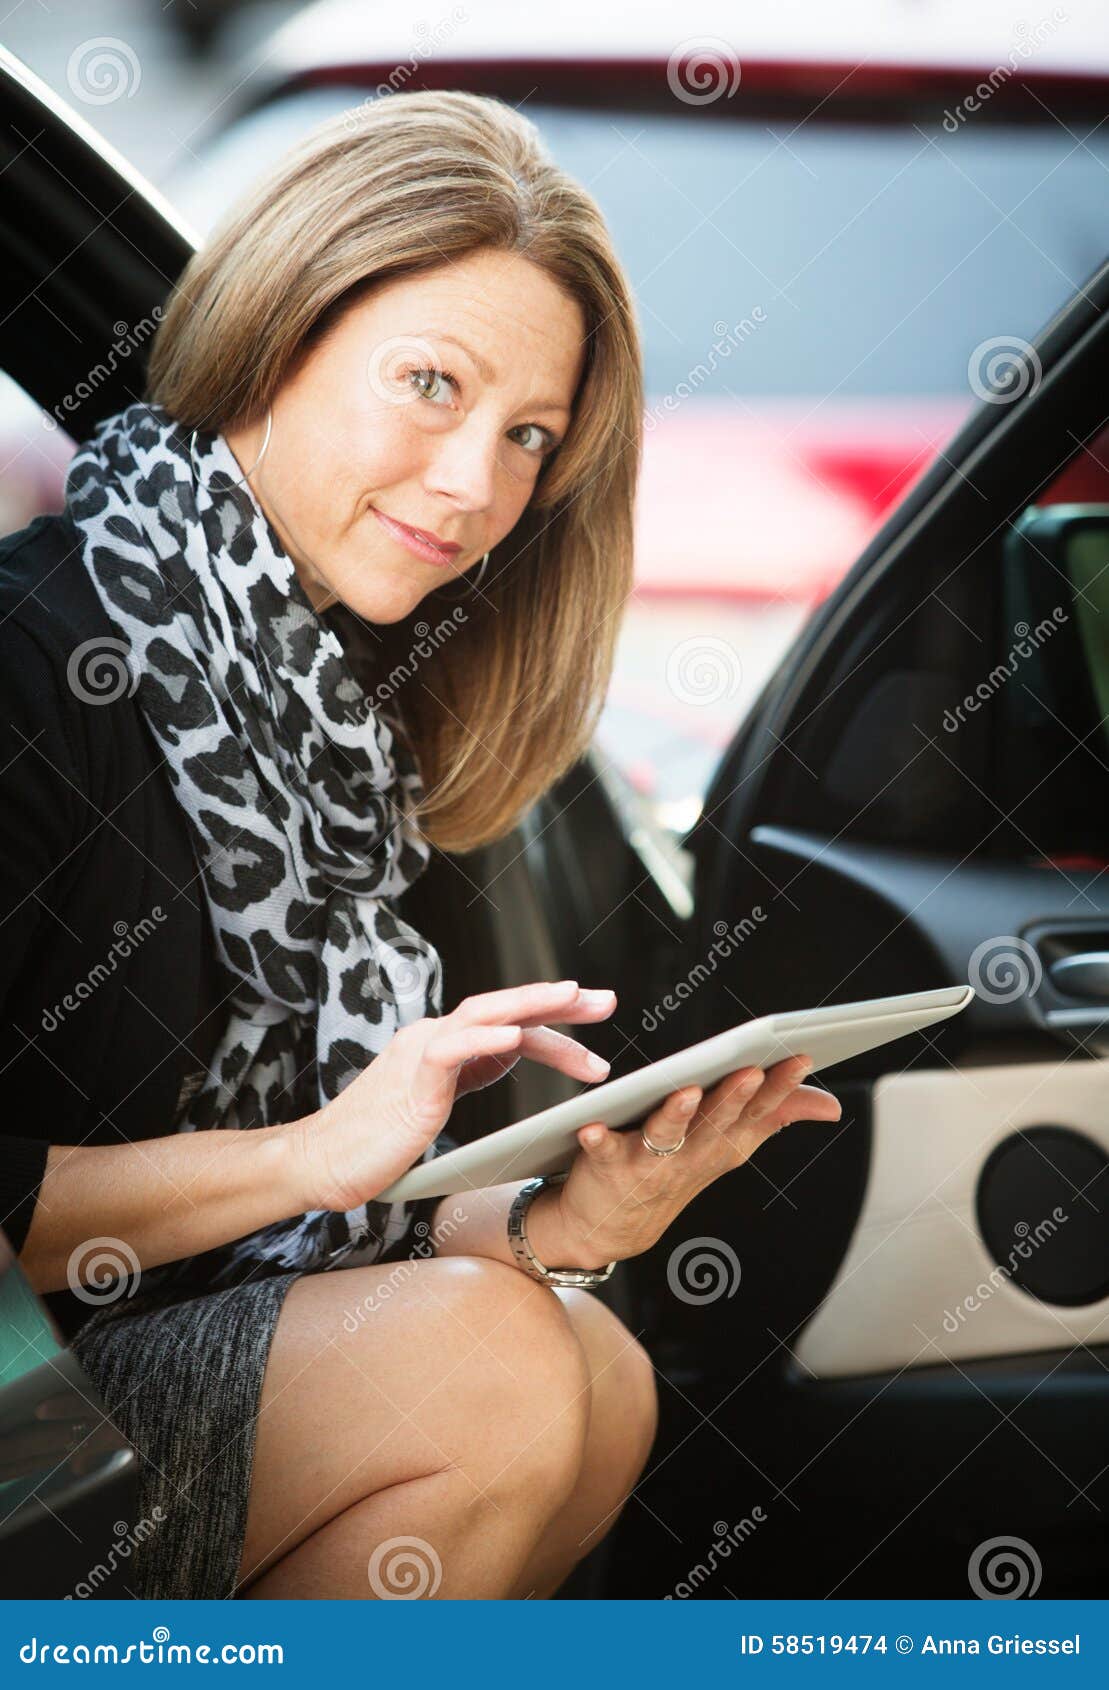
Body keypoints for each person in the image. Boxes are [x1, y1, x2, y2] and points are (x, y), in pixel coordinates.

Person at [0, 88, 841, 1600]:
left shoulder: (343, 717)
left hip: (124, 1360)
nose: (474, 485)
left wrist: (562, 1222)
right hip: (25, 1406)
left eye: (528, 437)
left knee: (592, 1359)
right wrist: (309, 1154)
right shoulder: (30, 662)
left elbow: (317, 1226)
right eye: (429, 384)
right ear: (274, 332)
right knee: (486, 1358)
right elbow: (288, 1179)